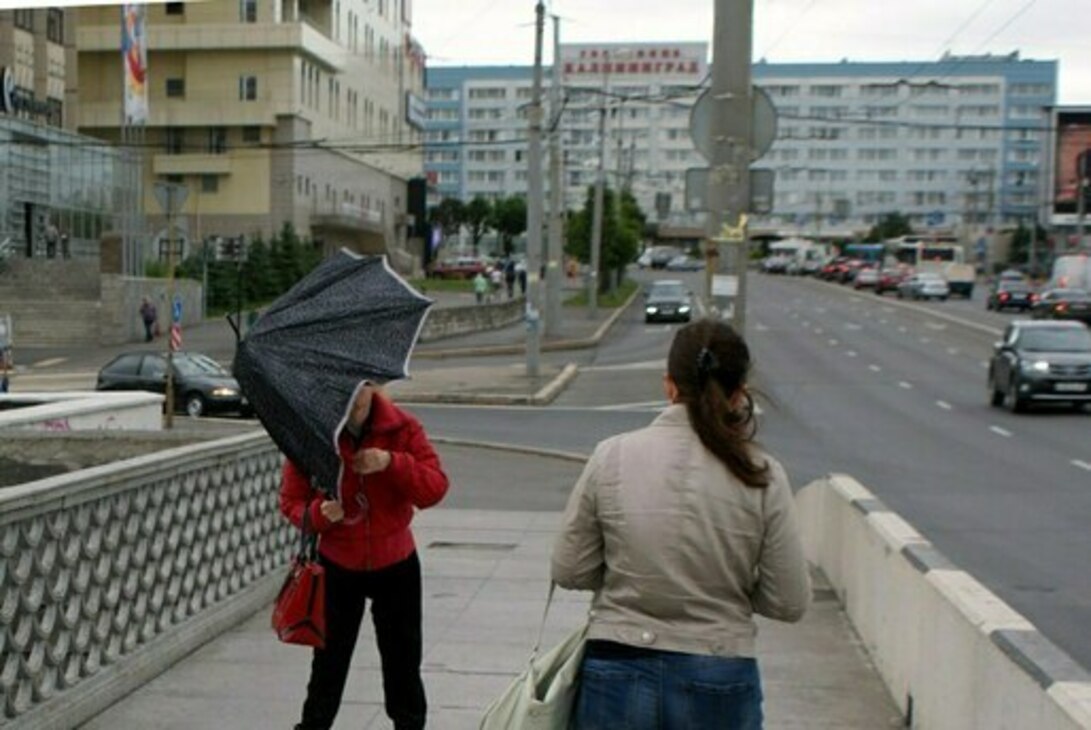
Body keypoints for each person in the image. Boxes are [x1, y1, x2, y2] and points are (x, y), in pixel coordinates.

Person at [551, 319, 811, 730]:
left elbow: (570, 569)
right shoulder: (761, 473)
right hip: (720, 668)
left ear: (669, 385)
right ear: (739, 392)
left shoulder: (612, 455)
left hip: (618, 666)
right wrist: (733, 589)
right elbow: (789, 601)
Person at [280, 383, 449, 730]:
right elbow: (291, 503)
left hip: (396, 563)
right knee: (328, 666)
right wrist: (320, 514)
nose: (354, 395)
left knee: (403, 664)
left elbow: (434, 488)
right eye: (346, 385)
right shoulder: (313, 433)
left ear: (376, 386)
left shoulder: (403, 428)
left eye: (363, 385)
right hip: (338, 566)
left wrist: (391, 462)